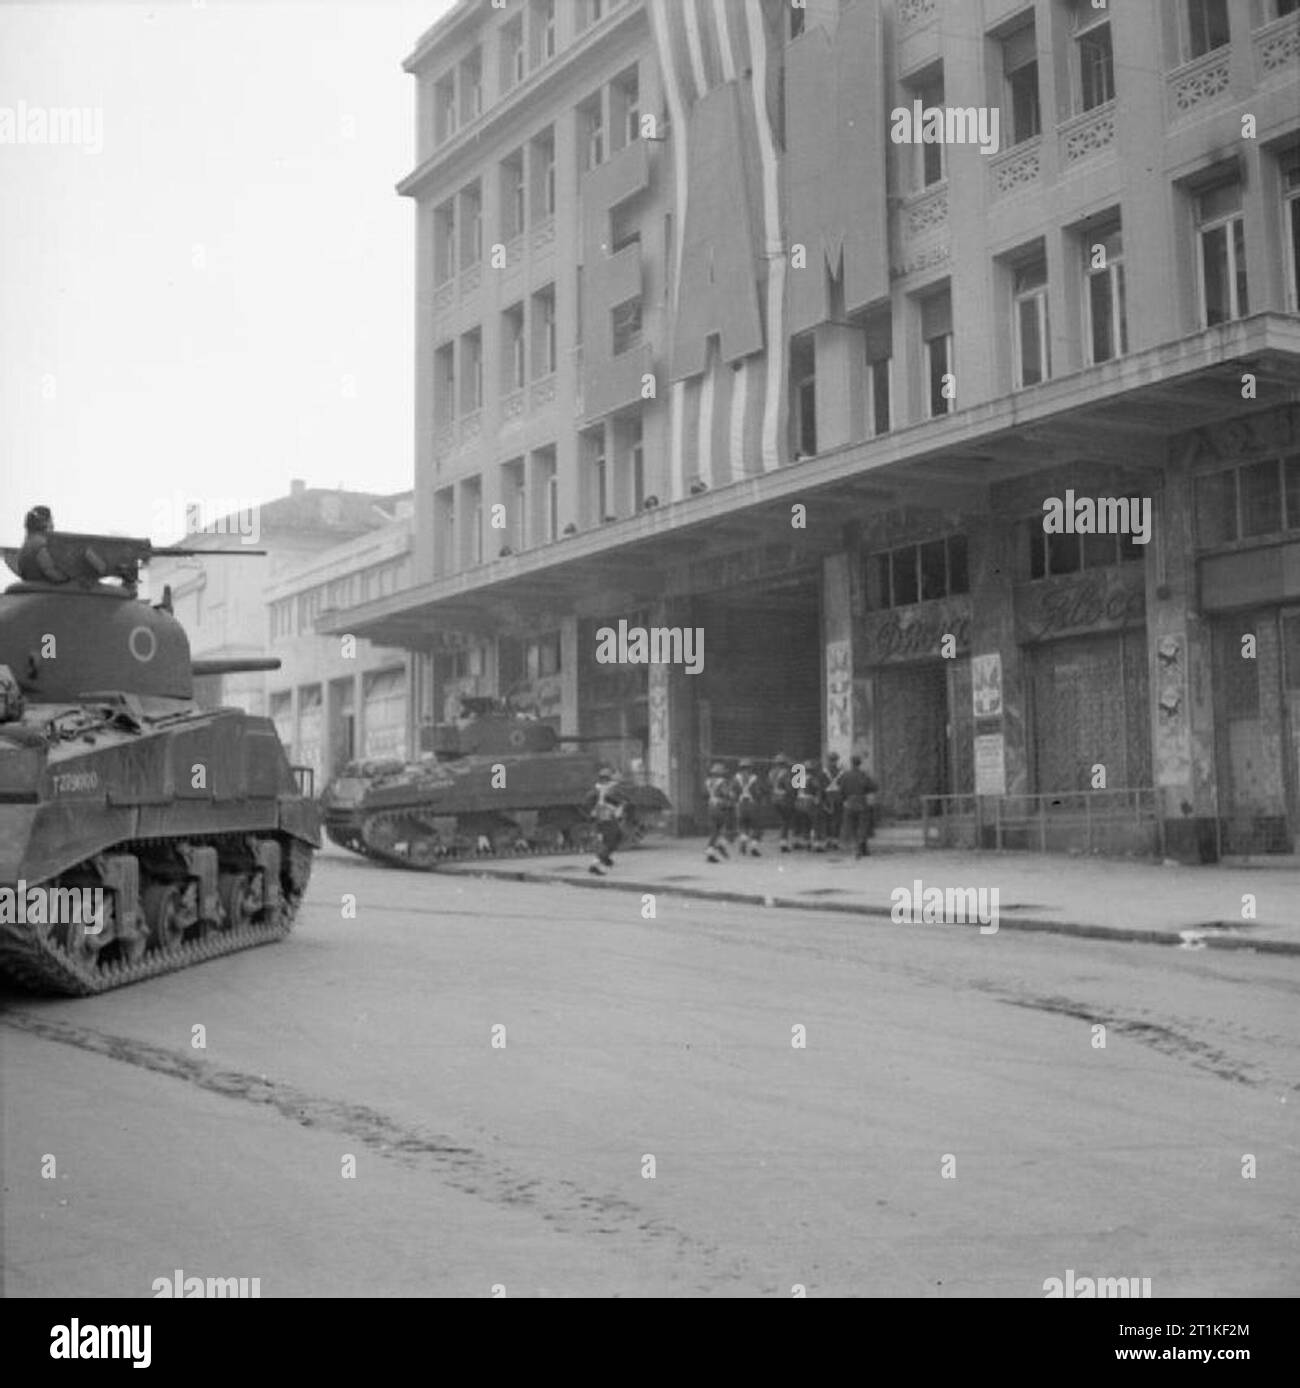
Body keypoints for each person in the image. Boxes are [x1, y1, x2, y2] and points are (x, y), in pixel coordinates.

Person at [584, 766, 627, 875]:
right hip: (607, 818)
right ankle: (595, 864)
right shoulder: (609, 788)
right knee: (611, 841)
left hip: (601, 818)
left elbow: (587, 803)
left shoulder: (596, 788)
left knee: (616, 837)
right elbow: (619, 800)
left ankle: (605, 858)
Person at [838, 755, 879, 858]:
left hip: (849, 803)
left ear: (851, 763)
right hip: (861, 803)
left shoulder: (845, 775)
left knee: (851, 826)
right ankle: (861, 847)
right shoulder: (863, 775)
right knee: (863, 826)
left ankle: (855, 847)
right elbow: (874, 787)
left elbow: (841, 790)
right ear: (860, 763)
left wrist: (844, 800)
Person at [16, 507, 69, 584]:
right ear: (45, 523)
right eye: (51, 521)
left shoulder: (26, 544)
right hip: (43, 586)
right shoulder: (39, 544)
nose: (53, 525)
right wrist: (66, 579)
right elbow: (49, 570)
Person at [732, 758, 764, 858]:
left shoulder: (736, 778)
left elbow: (733, 792)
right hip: (752, 804)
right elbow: (759, 792)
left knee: (742, 825)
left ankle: (743, 840)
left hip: (740, 804)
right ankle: (754, 847)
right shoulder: (755, 778)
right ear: (750, 768)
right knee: (756, 826)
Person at [704, 760, 734, 863]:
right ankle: (719, 845)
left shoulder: (708, 781)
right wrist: (731, 794)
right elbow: (726, 793)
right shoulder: (722, 782)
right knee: (721, 829)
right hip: (720, 807)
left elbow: (705, 794)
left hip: (710, 806)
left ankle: (712, 851)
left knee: (714, 831)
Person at [793, 756, 824, 851]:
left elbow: (794, 791)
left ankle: (806, 842)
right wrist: (818, 800)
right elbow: (817, 790)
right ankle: (817, 844)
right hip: (809, 802)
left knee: (805, 823)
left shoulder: (798, 778)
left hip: (799, 803)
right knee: (815, 823)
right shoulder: (813, 779)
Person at [769, 752, 795, 851]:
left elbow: (769, 785)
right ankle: (783, 843)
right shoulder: (786, 773)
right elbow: (789, 787)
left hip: (774, 798)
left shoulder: (771, 773)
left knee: (782, 820)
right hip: (784, 799)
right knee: (786, 821)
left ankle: (783, 841)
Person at [821, 751, 845, 849]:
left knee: (827, 820)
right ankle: (835, 841)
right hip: (838, 798)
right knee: (837, 820)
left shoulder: (824, 772)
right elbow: (843, 786)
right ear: (837, 760)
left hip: (827, 797)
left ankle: (828, 840)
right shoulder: (841, 772)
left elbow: (821, 786)